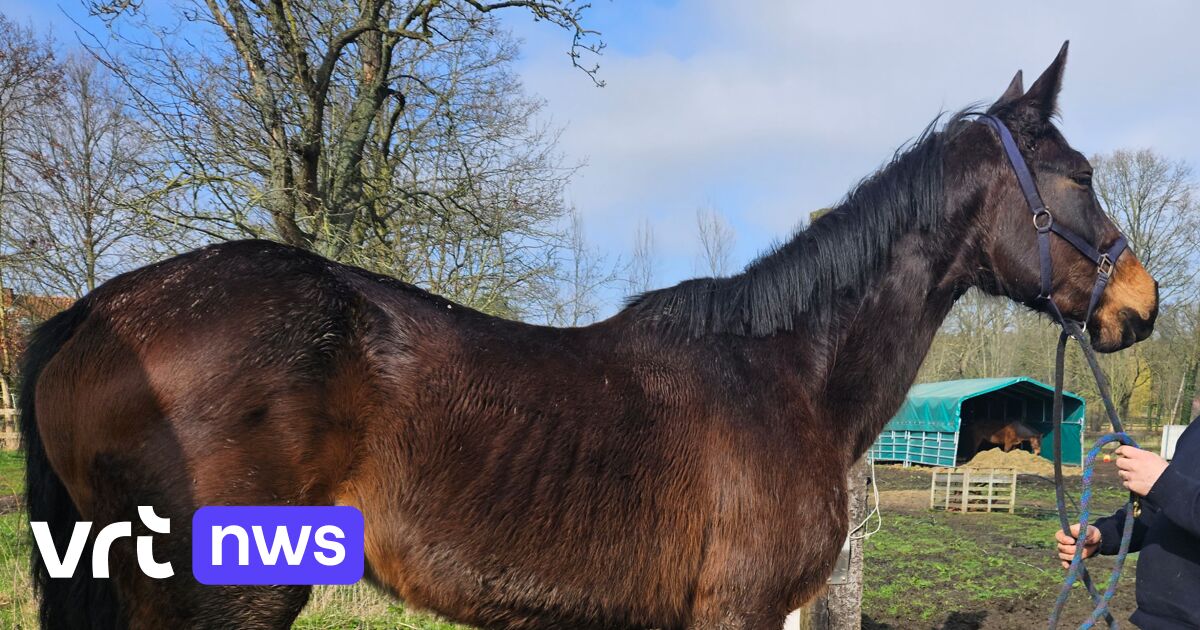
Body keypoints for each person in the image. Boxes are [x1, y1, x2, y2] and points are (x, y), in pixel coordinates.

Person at [1056, 420, 1200, 629]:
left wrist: (1164, 483)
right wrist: (1102, 535)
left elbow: (1170, 491)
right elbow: (1158, 511)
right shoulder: (1196, 430)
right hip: (1162, 618)